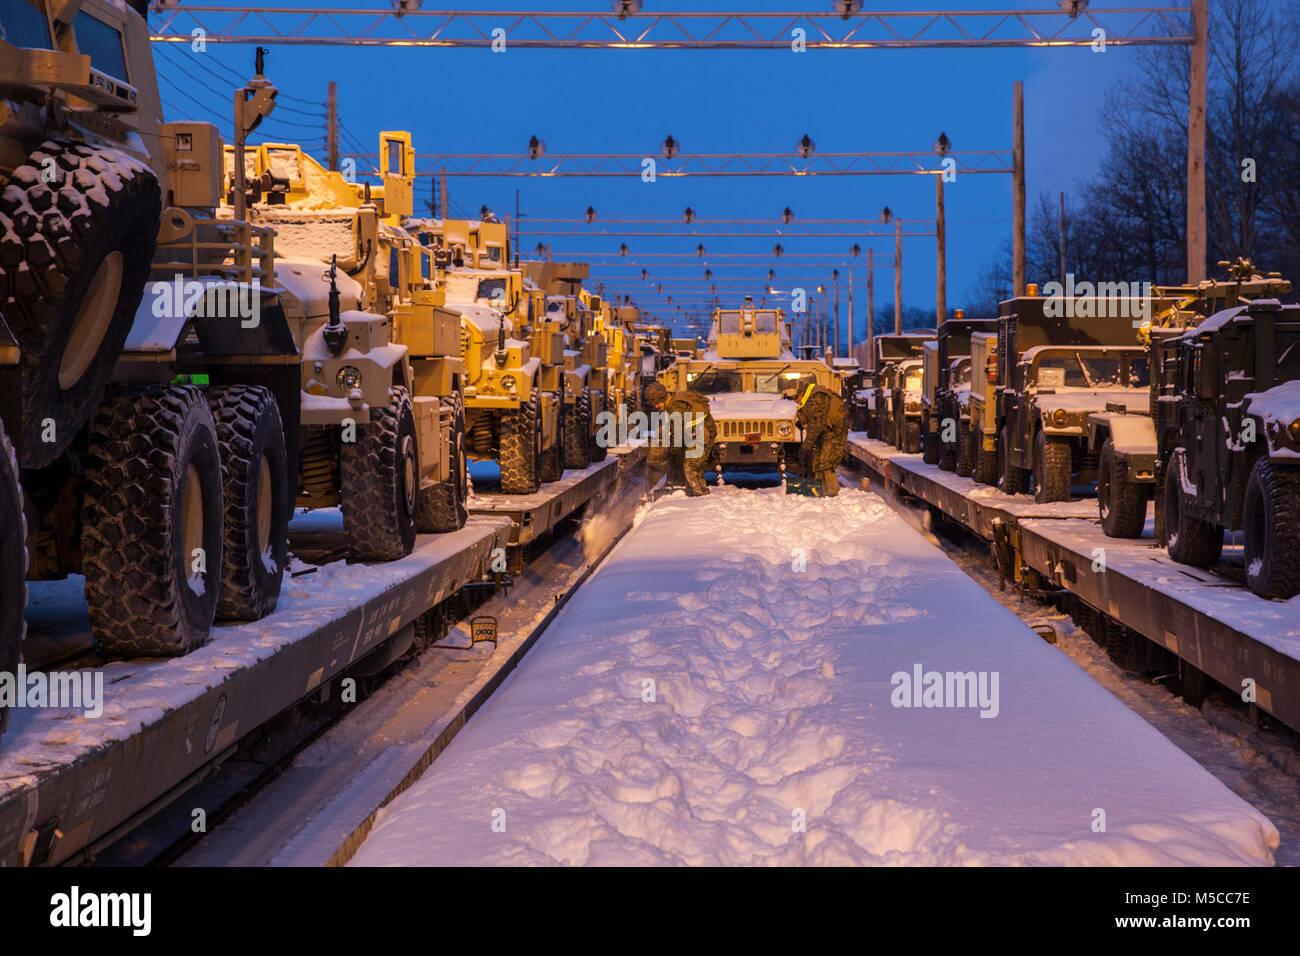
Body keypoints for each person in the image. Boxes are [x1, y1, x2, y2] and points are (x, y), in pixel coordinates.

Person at [786, 380, 849, 497]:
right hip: (825, 431)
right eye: (792, 398)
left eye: (795, 397)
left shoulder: (816, 398)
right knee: (817, 462)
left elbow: (816, 425)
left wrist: (806, 446)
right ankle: (821, 492)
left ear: (801, 393)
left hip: (835, 431)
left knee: (826, 462)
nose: (794, 400)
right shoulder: (807, 400)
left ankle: (832, 494)